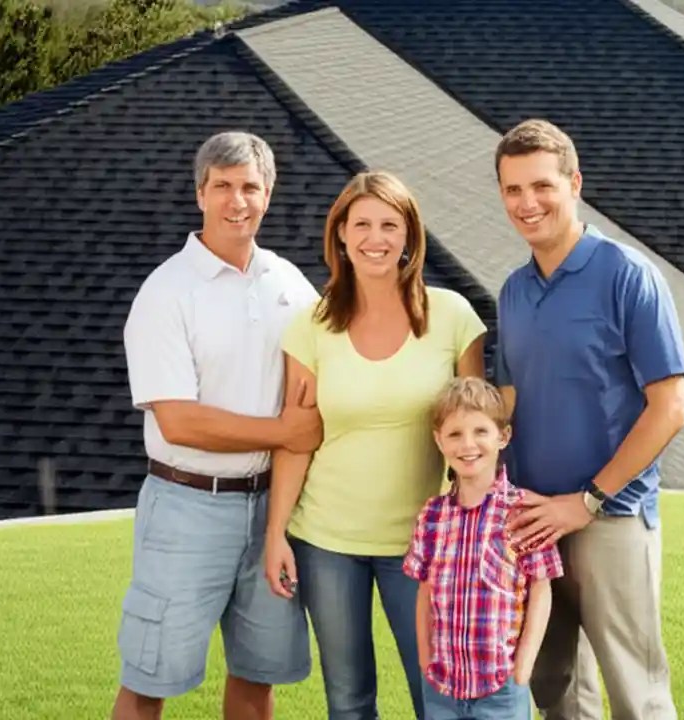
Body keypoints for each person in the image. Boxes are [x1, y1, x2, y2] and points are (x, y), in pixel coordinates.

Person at [263, 170, 488, 719]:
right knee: (349, 699)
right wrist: (275, 535)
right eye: (361, 224)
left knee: (438, 696)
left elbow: (476, 442)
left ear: (410, 236)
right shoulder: (311, 326)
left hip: (425, 544)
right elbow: (297, 440)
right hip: (327, 543)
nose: (375, 238)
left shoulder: (453, 317)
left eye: (390, 224)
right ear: (340, 234)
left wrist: (475, 533)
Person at [113, 131, 321, 720]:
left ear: (268, 194)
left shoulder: (289, 285)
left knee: (258, 677)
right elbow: (178, 421)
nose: (237, 201)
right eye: (223, 186)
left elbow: (318, 380)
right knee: (149, 678)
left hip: (273, 512)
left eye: (250, 187)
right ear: (200, 193)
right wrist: (284, 432)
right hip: (186, 508)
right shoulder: (167, 292)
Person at [492, 118, 684, 720]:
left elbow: (671, 408)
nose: (528, 203)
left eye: (542, 186)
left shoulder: (628, 276)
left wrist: (588, 500)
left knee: (638, 692)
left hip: (611, 518)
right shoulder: (512, 291)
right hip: (530, 519)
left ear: (574, 183)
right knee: (555, 690)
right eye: (513, 190)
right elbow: (507, 404)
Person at [403, 377, 563, 720]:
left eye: (480, 431)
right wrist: (424, 655)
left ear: (502, 437)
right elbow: (425, 591)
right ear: (438, 440)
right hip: (442, 685)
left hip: (500, 687)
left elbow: (540, 589)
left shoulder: (522, 512)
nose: (468, 444)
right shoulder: (432, 516)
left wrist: (523, 668)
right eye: (455, 434)